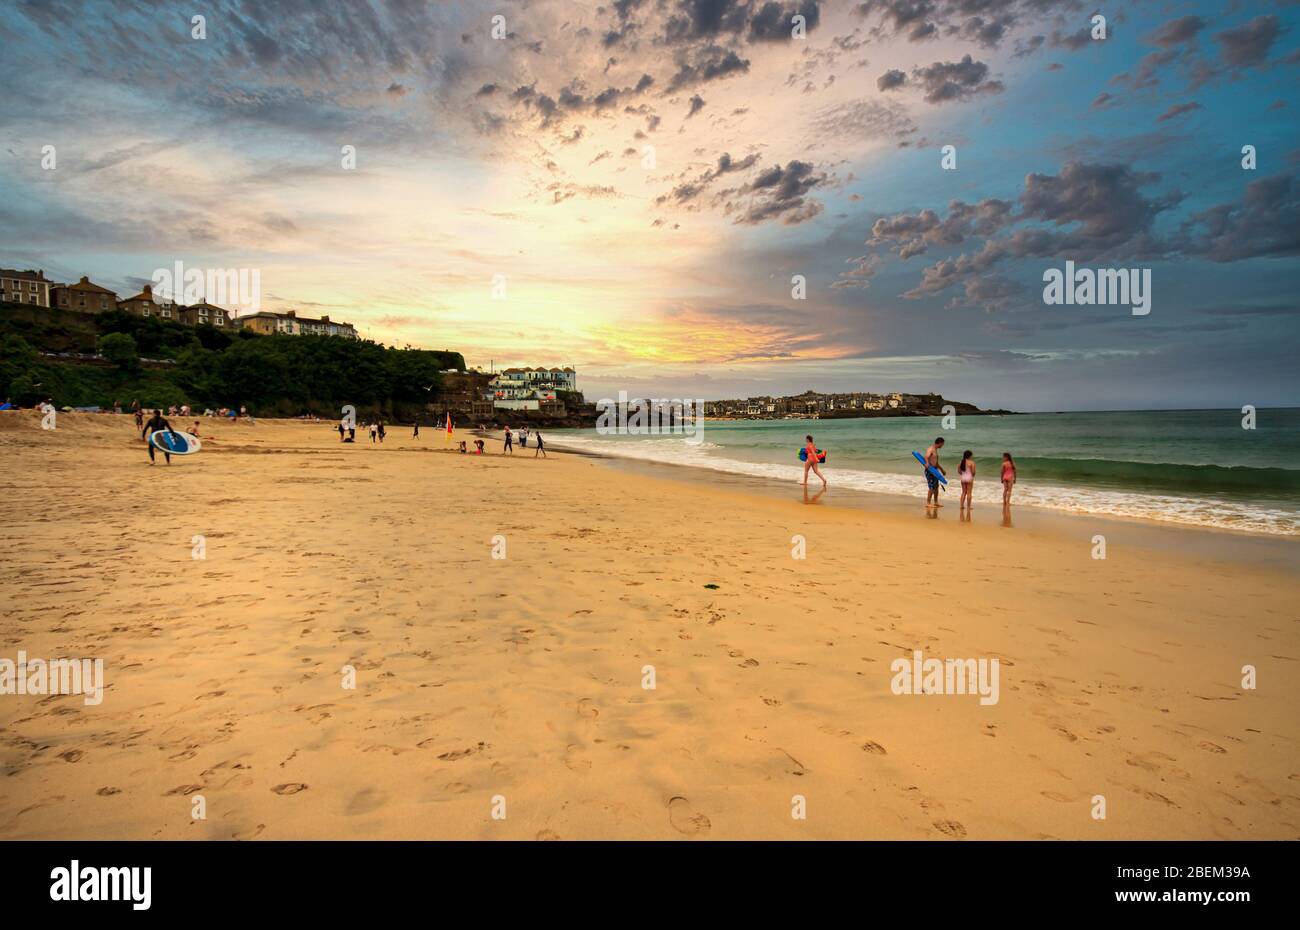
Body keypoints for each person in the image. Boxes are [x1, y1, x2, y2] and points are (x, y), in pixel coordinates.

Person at [924, 437, 946, 508]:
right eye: (942, 444)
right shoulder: (931, 449)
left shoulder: (935, 450)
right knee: (931, 487)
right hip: (930, 470)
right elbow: (926, 456)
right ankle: (928, 503)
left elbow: (935, 462)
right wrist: (927, 463)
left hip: (935, 470)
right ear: (940, 443)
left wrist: (941, 469)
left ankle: (936, 502)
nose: (942, 445)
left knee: (936, 487)